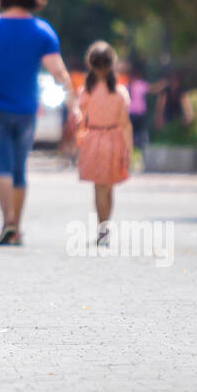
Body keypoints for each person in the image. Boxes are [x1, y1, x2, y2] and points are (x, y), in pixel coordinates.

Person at [0, 0, 80, 246]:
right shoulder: (42, 31)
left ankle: (8, 222)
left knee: (0, 166)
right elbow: (59, 72)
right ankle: (16, 227)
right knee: (19, 168)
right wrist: (72, 103)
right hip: (27, 110)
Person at [77, 42, 133, 247]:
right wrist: (130, 149)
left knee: (98, 187)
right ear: (112, 64)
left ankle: (102, 230)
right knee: (109, 188)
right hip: (114, 138)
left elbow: (80, 118)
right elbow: (126, 124)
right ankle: (105, 228)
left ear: (90, 64)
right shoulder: (119, 93)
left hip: (93, 139)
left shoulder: (86, 91)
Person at [122, 60, 150, 153]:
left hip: (130, 113)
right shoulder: (141, 84)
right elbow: (152, 89)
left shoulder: (127, 85)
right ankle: (141, 152)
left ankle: (130, 152)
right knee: (141, 134)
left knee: (130, 134)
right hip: (140, 114)